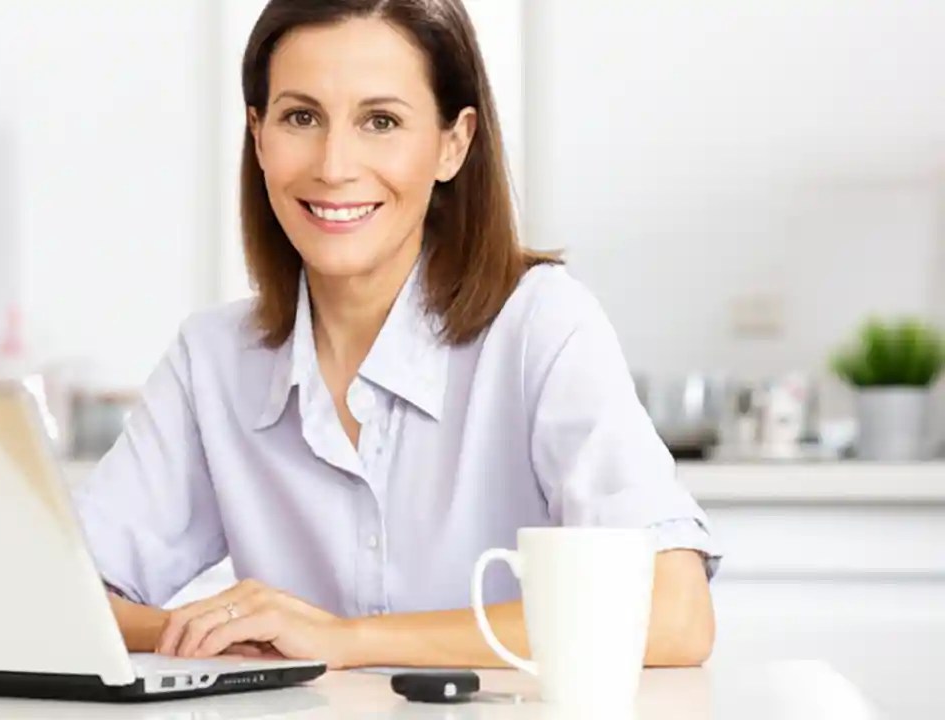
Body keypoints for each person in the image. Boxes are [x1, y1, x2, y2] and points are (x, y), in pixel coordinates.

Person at [75, 0, 718, 670]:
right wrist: (225, 632)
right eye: (301, 118)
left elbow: (674, 615)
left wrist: (346, 642)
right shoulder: (213, 359)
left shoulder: (540, 325)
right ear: (258, 134)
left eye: (380, 121)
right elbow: (59, 595)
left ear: (453, 142)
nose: (334, 166)